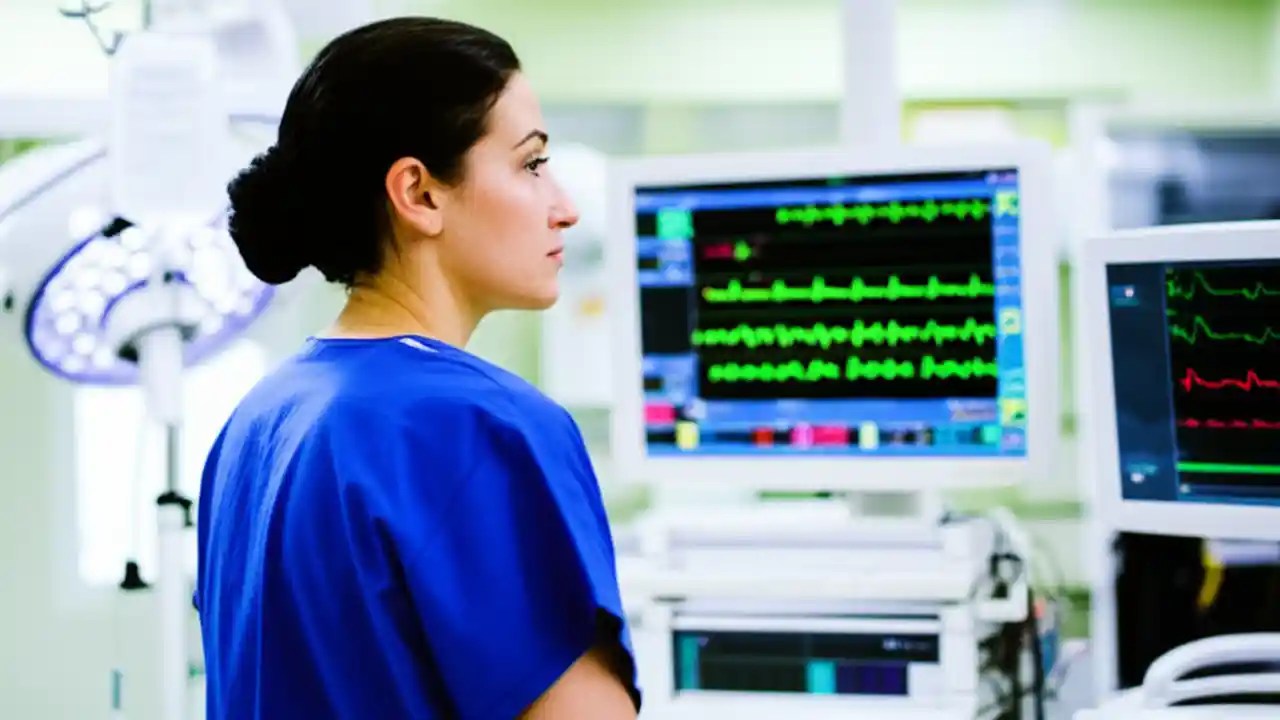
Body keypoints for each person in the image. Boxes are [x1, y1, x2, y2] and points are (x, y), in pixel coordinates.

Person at [194, 17, 640, 719]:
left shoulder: (258, 421)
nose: (566, 208)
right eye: (531, 165)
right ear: (419, 193)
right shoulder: (478, 425)